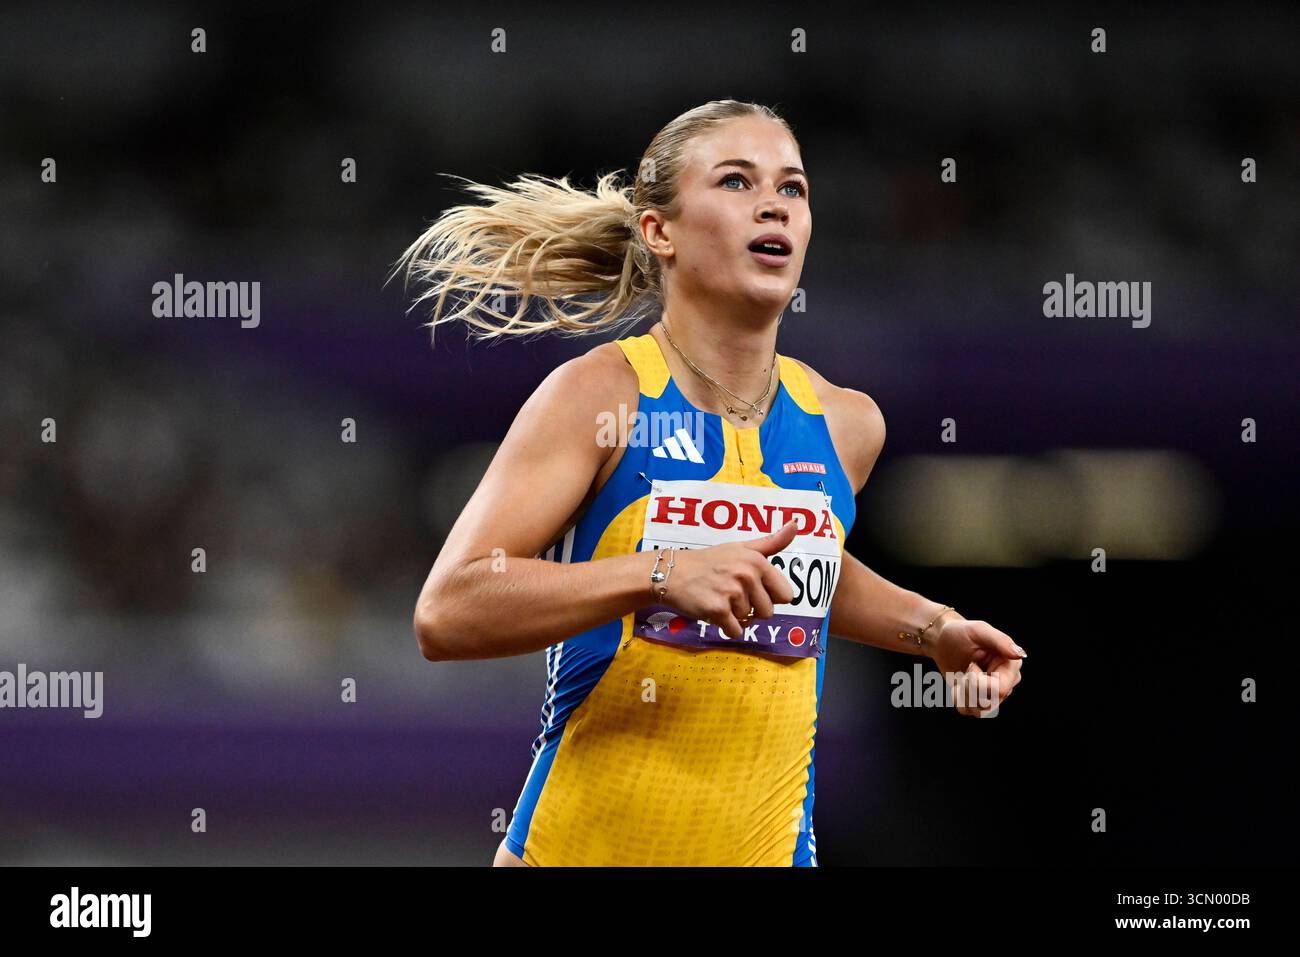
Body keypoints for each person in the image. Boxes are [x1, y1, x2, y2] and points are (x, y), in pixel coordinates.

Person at [395, 99, 1026, 867]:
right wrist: (659, 575)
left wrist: (932, 628)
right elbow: (449, 608)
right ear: (660, 231)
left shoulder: (846, 424)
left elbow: (798, 566)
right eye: (735, 181)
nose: (774, 204)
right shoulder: (601, 396)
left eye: (792, 188)